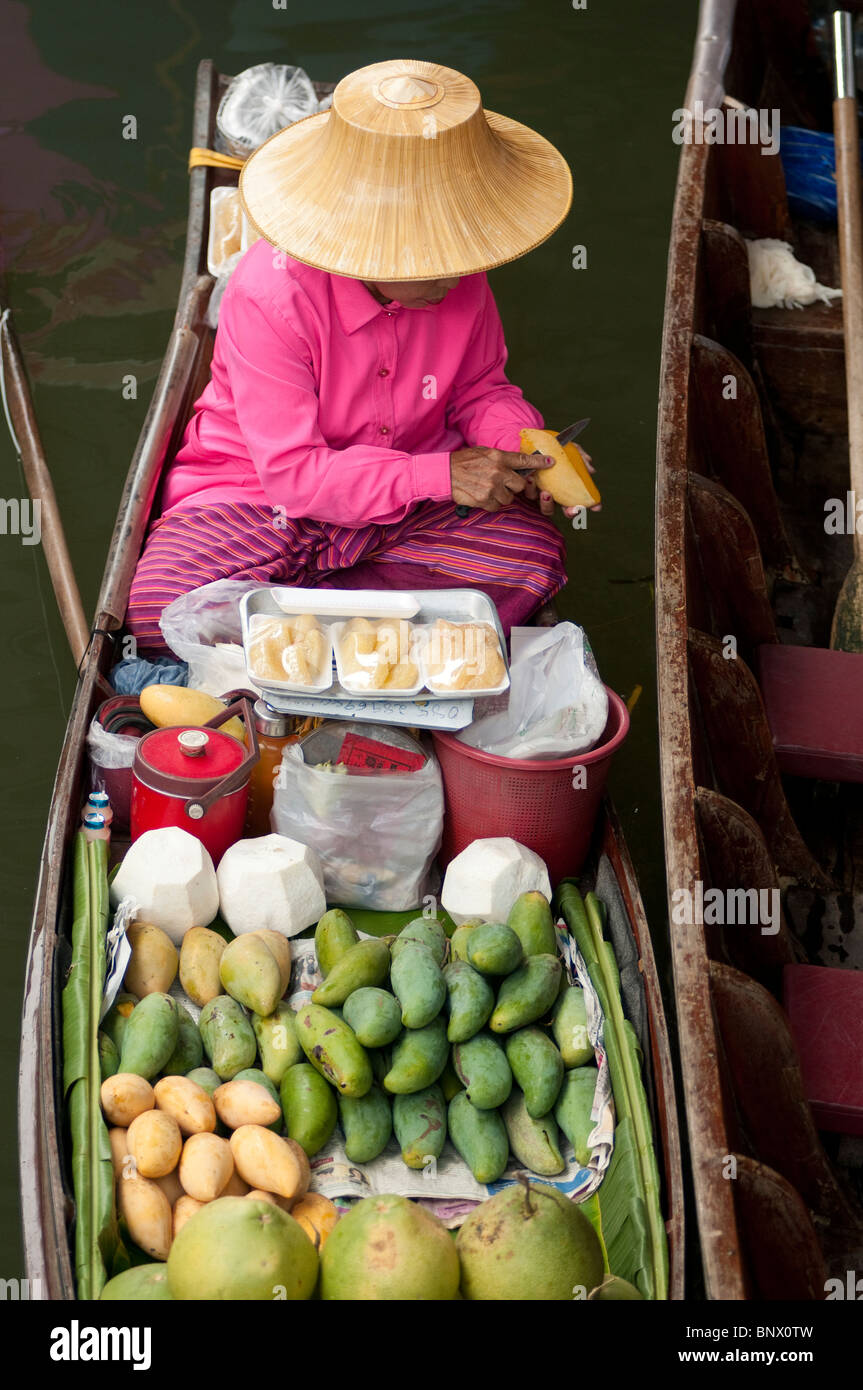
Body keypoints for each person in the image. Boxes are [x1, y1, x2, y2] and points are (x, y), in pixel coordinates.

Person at [126, 58, 594, 653]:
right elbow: (294, 476)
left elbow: (482, 389)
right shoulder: (271, 294)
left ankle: (301, 627)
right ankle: (380, 625)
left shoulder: (461, 280)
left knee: (533, 555)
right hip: (258, 497)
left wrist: (526, 447)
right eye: (435, 260)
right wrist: (445, 474)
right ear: (377, 250)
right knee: (157, 609)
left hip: (407, 502)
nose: (458, 276)